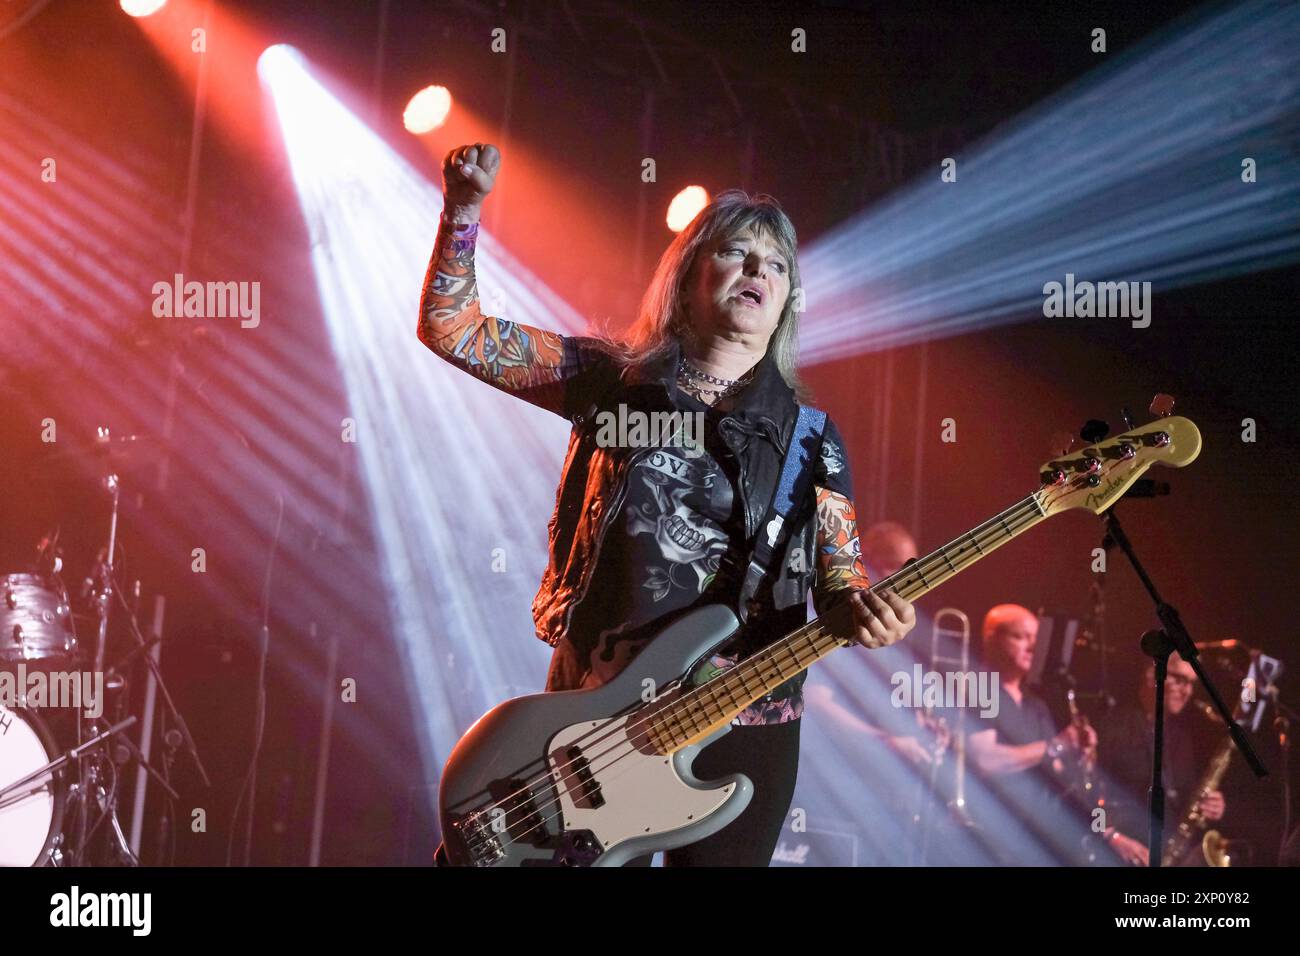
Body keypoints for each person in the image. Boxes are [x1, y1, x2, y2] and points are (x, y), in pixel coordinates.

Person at [417, 143, 916, 866]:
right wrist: (463, 210)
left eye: (776, 265)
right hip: (593, 708)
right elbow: (452, 331)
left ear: (788, 301)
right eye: (738, 254)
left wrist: (875, 615)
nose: (758, 272)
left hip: (743, 719)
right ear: (687, 278)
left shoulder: (812, 437)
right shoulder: (609, 382)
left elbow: (844, 579)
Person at [965, 604, 1096, 864]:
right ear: (992, 638)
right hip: (990, 837)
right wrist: (1057, 745)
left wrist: (1084, 753)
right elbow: (985, 760)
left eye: (1035, 639)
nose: (1032, 647)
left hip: (1037, 840)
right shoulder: (977, 688)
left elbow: (1058, 767)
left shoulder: (1035, 704)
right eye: (1021, 637)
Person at [1095, 650, 1226, 866]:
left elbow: (1186, 801)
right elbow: (1085, 793)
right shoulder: (1110, 726)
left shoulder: (1182, 739)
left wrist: (1210, 805)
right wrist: (1111, 837)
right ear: (1151, 675)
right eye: (1179, 679)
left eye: (1191, 683)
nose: (1187, 691)